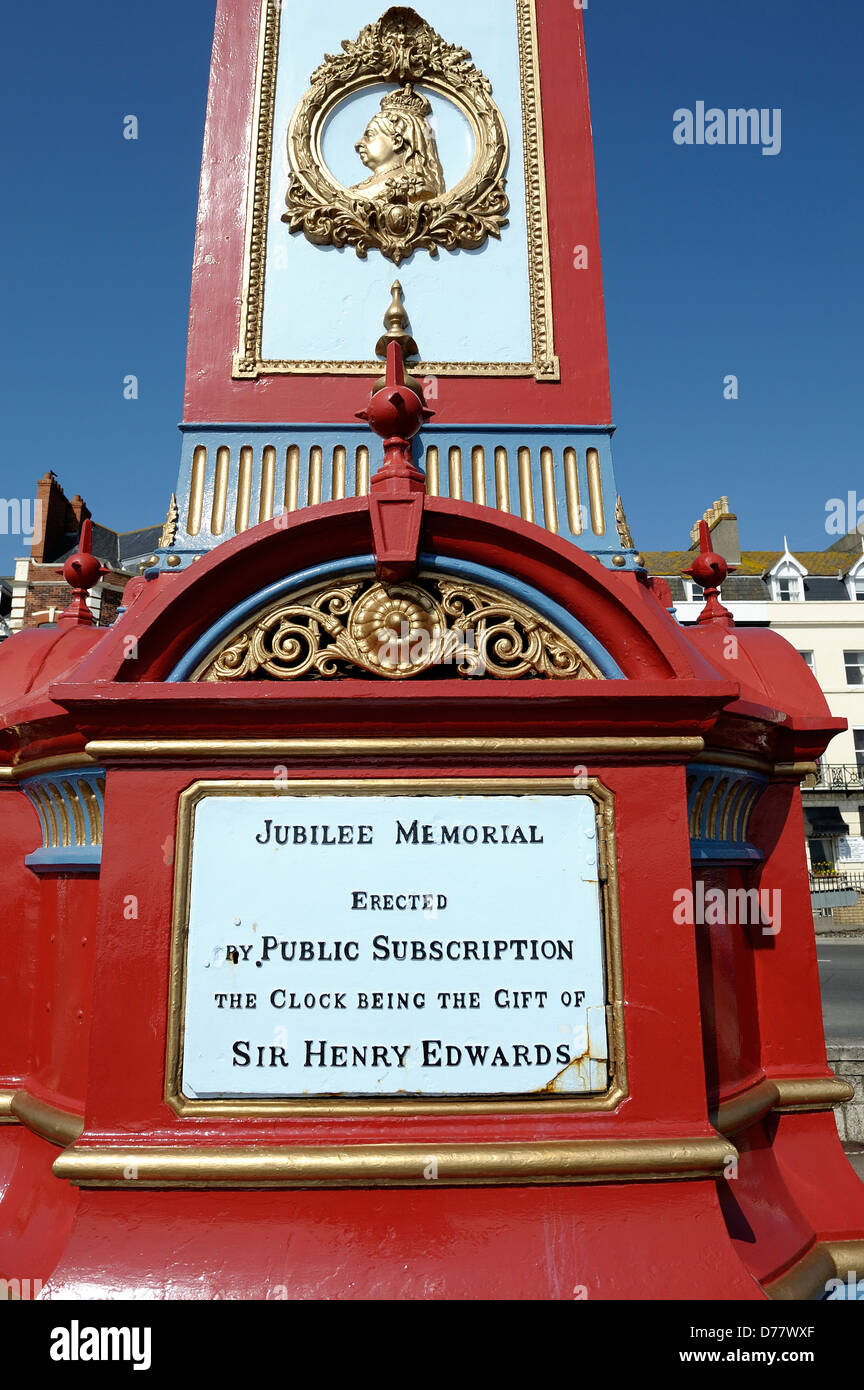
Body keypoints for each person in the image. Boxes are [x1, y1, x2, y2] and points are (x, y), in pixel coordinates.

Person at [352, 84, 445, 203]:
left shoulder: (415, 187)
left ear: (397, 141)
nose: (358, 143)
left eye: (369, 135)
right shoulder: (361, 186)